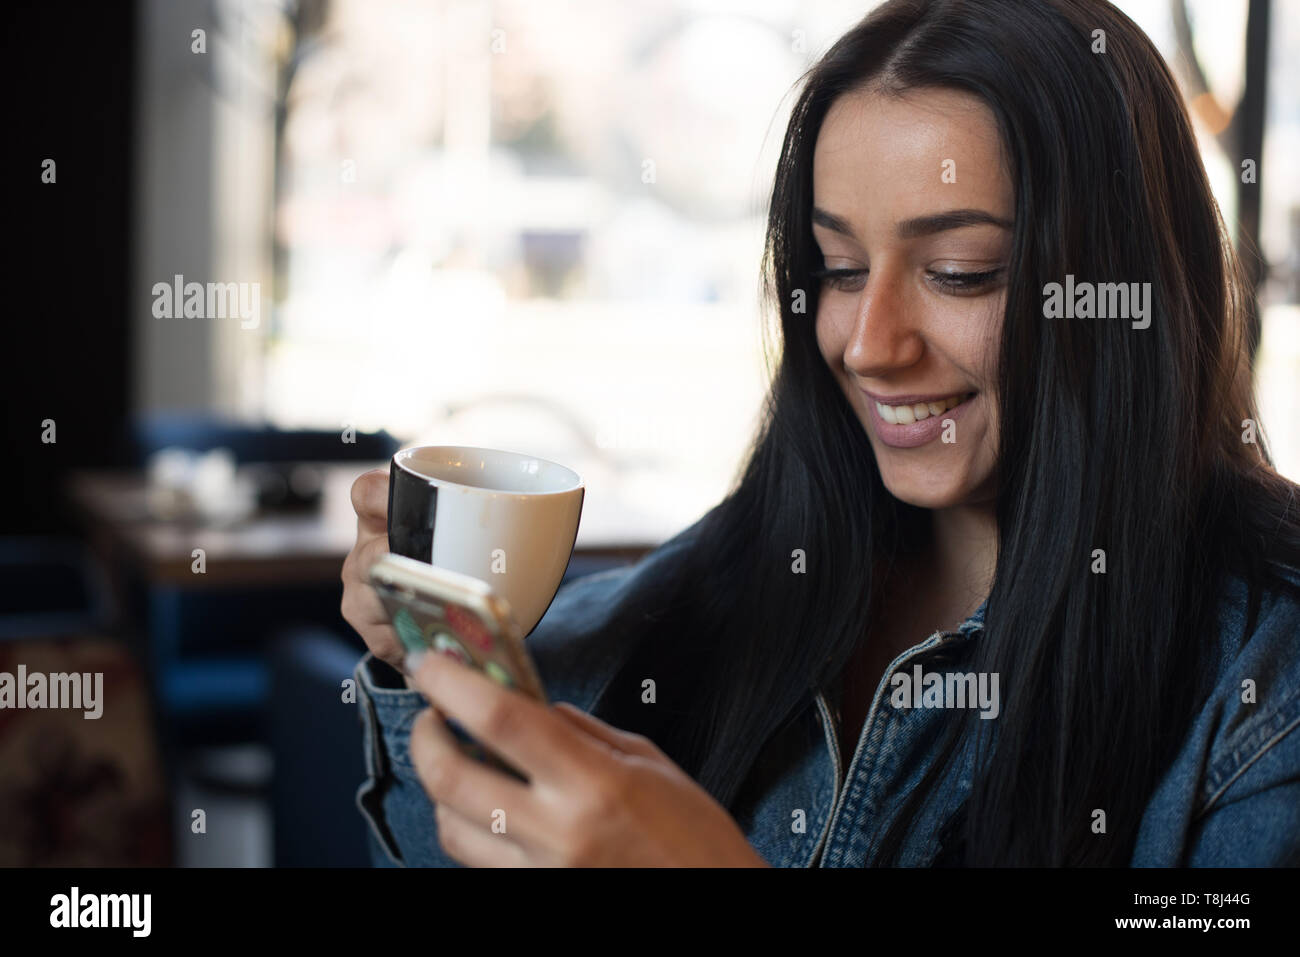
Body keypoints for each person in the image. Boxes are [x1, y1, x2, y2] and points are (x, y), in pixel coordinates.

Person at [341, 0, 1300, 866]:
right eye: (840, 268)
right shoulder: (736, 572)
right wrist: (428, 658)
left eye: (960, 271)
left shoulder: (1266, 684)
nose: (869, 345)